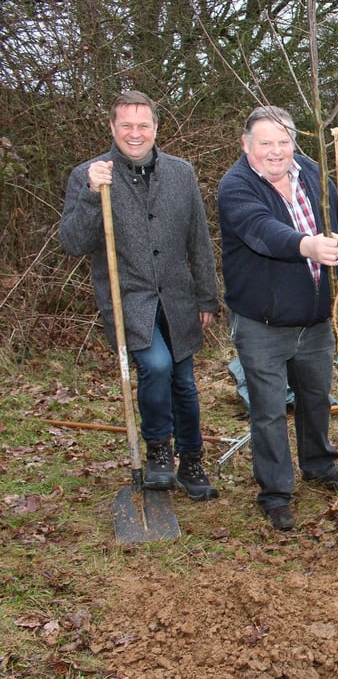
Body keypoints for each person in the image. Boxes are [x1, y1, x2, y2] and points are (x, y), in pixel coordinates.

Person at [59, 91, 220, 501]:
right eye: (126, 125)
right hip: (129, 297)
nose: (135, 133)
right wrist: (92, 195)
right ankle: (159, 452)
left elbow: (198, 240)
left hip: (179, 297)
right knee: (158, 365)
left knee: (184, 380)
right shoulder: (90, 175)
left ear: (155, 128)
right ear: (112, 128)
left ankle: (192, 459)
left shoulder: (181, 174)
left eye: (143, 125)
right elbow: (74, 242)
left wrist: (206, 297)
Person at [217, 105, 338, 531]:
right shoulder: (236, 187)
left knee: (316, 398)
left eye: (283, 142)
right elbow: (261, 230)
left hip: (314, 319)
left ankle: (318, 463)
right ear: (246, 145)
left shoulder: (311, 172)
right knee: (270, 409)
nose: (275, 152)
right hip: (263, 323)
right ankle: (275, 492)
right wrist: (308, 246)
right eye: (265, 143)